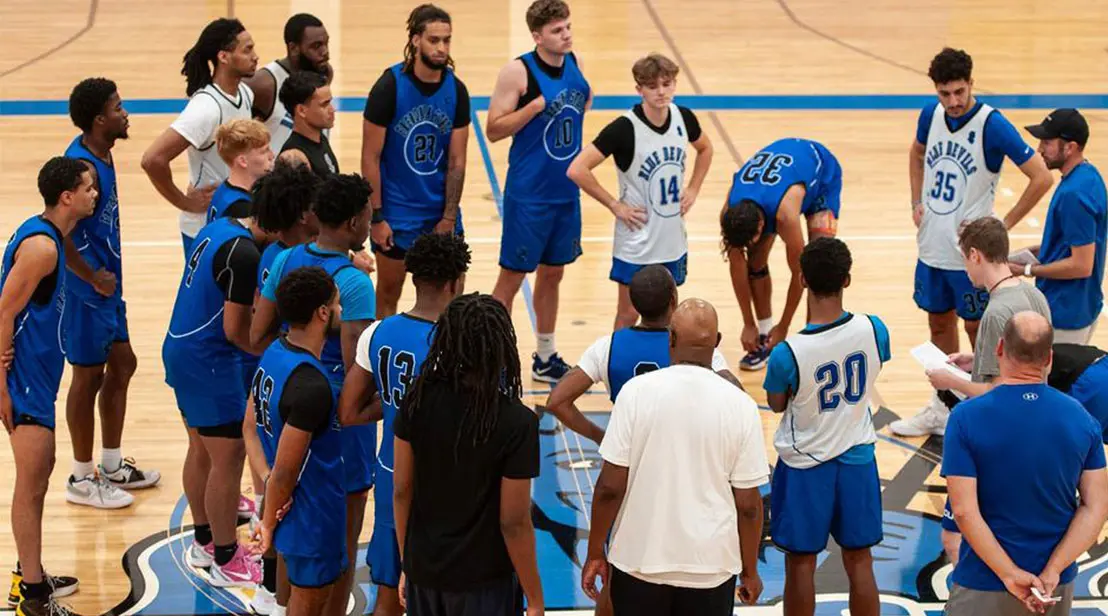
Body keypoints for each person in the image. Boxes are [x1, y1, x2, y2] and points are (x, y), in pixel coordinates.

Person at [894, 46, 1052, 437]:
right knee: (937, 326)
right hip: (932, 245)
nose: (953, 101)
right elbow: (915, 154)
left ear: (971, 84)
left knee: (980, 333)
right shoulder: (930, 115)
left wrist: (1004, 222)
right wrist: (916, 200)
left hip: (972, 253)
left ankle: (982, 409)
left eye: (959, 92)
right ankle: (943, 408)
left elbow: (1042, 177)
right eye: (945, 93)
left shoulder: (990, 124)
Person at [582, 298, 767, 615]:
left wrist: (595, 550)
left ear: (670, 339)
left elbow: (610, 487)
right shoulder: (742, 405)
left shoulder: (635, 393)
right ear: (718, 343)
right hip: (711, 569)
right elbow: (749, 505)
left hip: (639, 563)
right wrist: (750, 569)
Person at [253, 173, 376, 616]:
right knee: (341, 539)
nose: (371, 220)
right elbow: (355, 373)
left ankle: (278, 603)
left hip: (286, 397)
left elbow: (256, 331)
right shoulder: (355, 285)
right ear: (351, 222)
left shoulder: (286, 259)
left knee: (290, 519)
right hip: (337, 422)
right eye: (367, 214)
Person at [339, 232, 471, 616]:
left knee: (388, 594)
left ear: (413, 279)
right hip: (450, 478)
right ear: (454, 281)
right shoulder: (464, 341)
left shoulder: (377, 333)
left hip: (392, 473)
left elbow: (348, 413)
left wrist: (397, 404)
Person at [942, 312, 1108, 615]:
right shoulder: (1083, 419)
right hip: (1053, 586)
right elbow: (1096, 507)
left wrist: (1008, 573)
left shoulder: (965, 417)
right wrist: (1054, 570)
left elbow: (964, 511)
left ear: (1000, 348)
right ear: (1049, 359)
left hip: (984, 578)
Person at [393, 293, 543, 615]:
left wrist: (409, 563)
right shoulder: (517, 422)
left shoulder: (417, 400)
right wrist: (535, 599)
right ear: (502, 347)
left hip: (425, 573)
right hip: (484, 584)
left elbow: (402, 490)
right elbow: (514, 522)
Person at [762, 238, 888, 616]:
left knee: (800, 562)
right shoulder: (874, 328)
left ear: (801, 279)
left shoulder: (788, 353)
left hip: (805, 467)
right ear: (846, 280)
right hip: (858, 458)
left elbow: (776, 403)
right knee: (860, 559)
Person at [916, 217, 1052, 564]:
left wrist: (951, 382)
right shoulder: (1033, 294)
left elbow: (997, 394)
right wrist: (976, 357)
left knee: (954, 537)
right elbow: (1031, 361)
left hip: (997, 439)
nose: (965, 269)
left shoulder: (995, 314)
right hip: (1036, 432)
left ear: (975, 255)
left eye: (964, 259)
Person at [0, 158, 95, 616]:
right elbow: (2, 313)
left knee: (41, 471)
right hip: (24, 382)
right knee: (32, 484)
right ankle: (33, 598)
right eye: (88, 188)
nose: (95, 195)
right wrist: (2, 387)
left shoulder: (52, 236)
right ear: (66, 197)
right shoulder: (42, 248)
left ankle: (29, 571)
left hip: (37, 377)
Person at [162, 183, 265, 587]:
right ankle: (226, 558)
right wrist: (269, 348)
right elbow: (236, 331)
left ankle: (204, 539)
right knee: (228, 458)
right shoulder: (245, 254)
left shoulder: (221, 226)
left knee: (200, 450)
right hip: (208, 361)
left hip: (180, 348)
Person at [61, 78, 154, 513]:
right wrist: (89, 276)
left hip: (107, 286)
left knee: (123, 364)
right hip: (86, 292)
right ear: (100, 119)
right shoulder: (79, 167)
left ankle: (112, 464)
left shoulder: (104, 153)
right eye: (118, 108)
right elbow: (58, 230)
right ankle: (81, 476)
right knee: (87, 377)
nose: (125, 113)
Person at [567, 53, 713, 328]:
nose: (661, 91)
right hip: (637, 240)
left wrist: (693, 189)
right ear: (640, 90)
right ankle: (617, 368)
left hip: (671, 237)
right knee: (628, 314)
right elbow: (577, 169)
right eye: (653, 86)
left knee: (669, 313)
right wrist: (614, 204)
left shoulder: (684, 118)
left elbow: (705, 149)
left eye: (667, 84)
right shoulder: (624, 128)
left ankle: (664, 366)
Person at [487, 0, 591, 382]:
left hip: (565, 193)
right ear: (537, 36)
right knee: (511, 278)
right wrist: (532, 109)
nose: (566, 34)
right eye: (557, 30)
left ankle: (545, 357)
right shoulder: (518, 71)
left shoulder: (575, 62)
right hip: (528, 195)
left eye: (567, 27)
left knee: (553, 275)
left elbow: (581, 106)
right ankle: (492, 356)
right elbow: (494, 129)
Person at [240, 162, 322, 616]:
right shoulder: (296, 259)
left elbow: (256, 333)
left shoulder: (273, 253)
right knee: (285, 503)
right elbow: (258, 328)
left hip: (272, 375)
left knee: (270, 490)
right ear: (302, 214)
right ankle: (275, 594)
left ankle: (269, 591)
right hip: (294, 383)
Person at [545, 265, 737, 445]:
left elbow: (557, 402)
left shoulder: (607, 347)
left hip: (627, 455)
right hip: (682, 451)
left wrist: (601, 437)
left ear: (634, 304)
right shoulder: (695, 349)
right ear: (673, 301)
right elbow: (739, 400)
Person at [362, 3, 470, 319]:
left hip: (439, 212)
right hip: (397, 214)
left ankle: (443, 362)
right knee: (388, 295)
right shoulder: (389, 87)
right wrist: (377, 217)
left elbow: (457, 160)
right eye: (434, 40)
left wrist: (449, 217)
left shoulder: (456, 90)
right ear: (415, 40)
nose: (441, 48)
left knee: (451, 298)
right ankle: (381, 361)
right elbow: (370, 157)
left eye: (446, 40)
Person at [253, 267, 345, 616]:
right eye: (336, 306)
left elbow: (250, 426)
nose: (339, 311)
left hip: (290, 506)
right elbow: (288, 469)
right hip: (312, 513)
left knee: (294, 601)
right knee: (308, 605)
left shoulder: (276, 351)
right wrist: (269, 522)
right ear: (322, 313)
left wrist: (267, 484)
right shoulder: (311, 388)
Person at [720, 137, 842, 371]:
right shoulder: (730, 212)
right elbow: (736, 265)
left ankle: (814, 342)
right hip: (784, 174)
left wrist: (784, 327)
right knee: (755, 261)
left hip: (821, 174)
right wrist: (748, 323)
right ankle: (765, 334)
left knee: (819, 268)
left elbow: (800, 274)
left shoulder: (784, 215)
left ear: (760, 226)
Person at [141, 18, 258, 259]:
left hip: (235, 219)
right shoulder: (206, 108)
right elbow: (153, 159)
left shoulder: (245, 93)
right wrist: (185, 202)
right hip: (204, 228)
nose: (255, 56)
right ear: (223, 57)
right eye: (247, 50)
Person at [1014, 109, 1107, 344]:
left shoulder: (1074, 195)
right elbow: (1073, 244)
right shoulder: (1089, 176)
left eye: (1047, 142)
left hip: (1065, 315)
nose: (1039, 149)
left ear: (1070, 147)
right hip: (1081, 305)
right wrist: (1035, 252)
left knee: (1054, 381)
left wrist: (1027, 271)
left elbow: (1081, 265)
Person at [243, 13, 331, 154]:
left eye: (326, 43)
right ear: (293, 48)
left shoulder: (324, 72)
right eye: (316, 46)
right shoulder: (265, 83)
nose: (325, 52)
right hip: (281, 172)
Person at [207, 119, 275, 223]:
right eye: (264, 151)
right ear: (243, 161)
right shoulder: (241, 209)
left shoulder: (224, 189)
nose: (272, 156)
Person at [277, 71, 338, 177]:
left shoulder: (321, 138)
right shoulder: (294, 157)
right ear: (301, 110)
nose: (332, 110)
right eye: (324, 105)